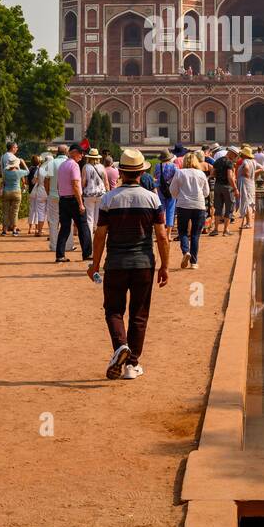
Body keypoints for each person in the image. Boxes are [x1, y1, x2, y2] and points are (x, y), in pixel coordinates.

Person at [88, 147, 169, 381]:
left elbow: (100, 235)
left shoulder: (109, 199)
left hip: (116, 263)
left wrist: (95, 265)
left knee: (113, 310)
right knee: (139, 314)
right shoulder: (152, 198)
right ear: (141, 172)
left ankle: (121, 346)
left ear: (121, 172)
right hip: (144, 264)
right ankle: (132, 364)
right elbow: (162, 236)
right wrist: (164, 266)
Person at [170, 151, 210, 269]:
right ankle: (194, 262)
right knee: (195, 235)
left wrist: (180, 197)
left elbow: (173, 190)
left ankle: (185, 252)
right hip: (199, 205)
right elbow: (206, 192)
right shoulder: (201, 174)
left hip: (183, 205)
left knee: (182, 231)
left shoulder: (179, 173)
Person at [56, 142, 92, 263]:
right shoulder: (74, 166)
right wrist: (80, 203)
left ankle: (60, 255)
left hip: (63, 199)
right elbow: (75, 185)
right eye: (81, 153)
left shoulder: (62, 165)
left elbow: (58, 184)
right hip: (73, 200)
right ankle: (87, 253)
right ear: (74, 153)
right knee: (83, 227)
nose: (82, 155)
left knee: (65, 228)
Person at [43, 145, 70, 251]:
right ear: (66, 152)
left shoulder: (51, 163)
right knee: (68, 221)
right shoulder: (70, 163)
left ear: (57, 152)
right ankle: (68, 245)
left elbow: (46, 180)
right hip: (67, 196)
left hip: (53, 195)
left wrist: (49, 193)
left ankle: (54, 246)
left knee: (54, 221)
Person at [210, 145, 239, 236]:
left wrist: (219, 176)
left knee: (218, 208)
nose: (235, 157)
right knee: (229, 208)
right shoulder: (229, 163)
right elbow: (230, 177)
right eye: (235, 155)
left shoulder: (218, 161)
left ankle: (215, 229)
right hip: (227, 187)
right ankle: (226, 230)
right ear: (232, 153)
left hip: (217, 186)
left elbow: (212, 174)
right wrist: (235, 189)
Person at [82, 147, 110, 236]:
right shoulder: (102, 167)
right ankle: (98, 238)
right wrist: (108, 193)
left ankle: (89, 238)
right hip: (101, 194)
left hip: (89, 194)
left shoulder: (86, 167)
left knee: (89, 218)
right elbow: (106, 182)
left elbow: (83, 182)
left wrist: (82, 189)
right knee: (98, 218)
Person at [153, 150, 178, 238]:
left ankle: (162, 233)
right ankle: (169, 234)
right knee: (171, 210)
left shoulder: (157, 166)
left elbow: (155, 177)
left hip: (160, 190)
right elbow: (177, 177)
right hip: (171, 190)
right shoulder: (174, 166)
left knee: (162, 211)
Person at [1, 158, 24, 235]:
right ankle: (14, 230)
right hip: (16, 192)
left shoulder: (5, 171)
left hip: (6, 192)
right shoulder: (19, 172)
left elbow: (3, 181)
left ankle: (4, 230)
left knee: (5, 212)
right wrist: (23, 163)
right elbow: (27, 171)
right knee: (15, 212)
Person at [28, 153, 50, 236]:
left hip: (40, 191)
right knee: (50, 212)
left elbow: (33, 181)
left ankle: (39, 231)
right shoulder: (52, 169)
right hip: (50, 191)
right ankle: (51, 231)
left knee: (40, 212)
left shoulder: (40, 168)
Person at [237, 145, 257, 229]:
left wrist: (246, 174)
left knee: (246, 202)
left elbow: (246, 170)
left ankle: (248, 223)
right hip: (250, 183)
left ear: (245, 155)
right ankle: (249, 222)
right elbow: (262, 168)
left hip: (245, 183)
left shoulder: (245, 161)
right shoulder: (253, 161)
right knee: (249, 202)